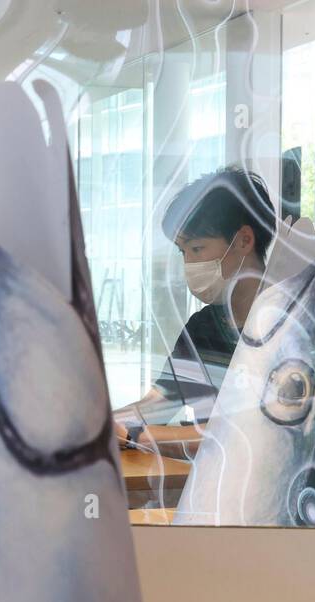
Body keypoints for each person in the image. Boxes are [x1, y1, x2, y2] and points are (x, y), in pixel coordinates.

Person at [116, 166, 278, 449]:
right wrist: (106, 425)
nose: (189, 264)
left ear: (243, 240)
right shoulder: (204, 327)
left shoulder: (287, 326)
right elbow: (160, 403)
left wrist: (140, 435)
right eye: (183, 251)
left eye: (197, 249)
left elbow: (248, 433)